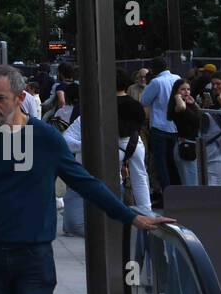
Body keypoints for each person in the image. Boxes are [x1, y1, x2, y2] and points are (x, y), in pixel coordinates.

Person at [0, 65, 171, 294]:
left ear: (19, 97)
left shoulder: (45, 138)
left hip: (33, 257)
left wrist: (131, 217)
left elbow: (85, 182)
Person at [63, 73, 154, 216]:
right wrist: (148, 213)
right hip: (87, 183)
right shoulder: (90, 119)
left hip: (99, 189)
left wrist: (148, 214)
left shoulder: (92, 109)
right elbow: (140, 179)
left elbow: (139, 178)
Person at [141, 58, 180, 201]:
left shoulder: (156, 82)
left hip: (159, 127)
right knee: (173, 162)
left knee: (161, 163)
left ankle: (167, 196)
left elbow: (144, 101)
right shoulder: (177, 78)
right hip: (175, 126)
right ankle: (177, 194)